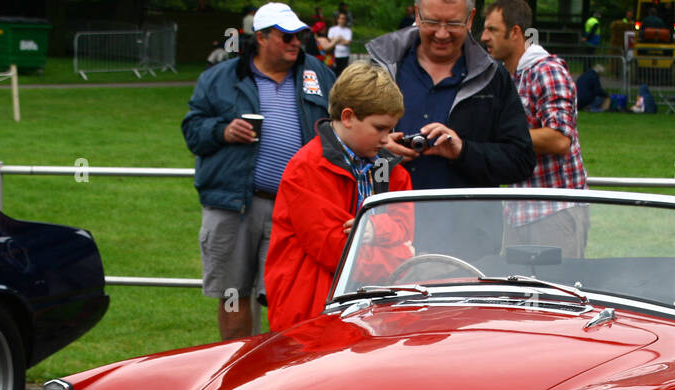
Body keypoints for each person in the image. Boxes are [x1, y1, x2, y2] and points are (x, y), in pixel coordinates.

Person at [182, 3, 337, 340]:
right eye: (286, 37)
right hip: (233, 204)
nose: (296, 43)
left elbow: (342, 126)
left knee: (290, 295)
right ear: (262, 38)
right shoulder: (220, 78)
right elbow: (192, 131)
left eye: (299, 36)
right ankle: (239, 377)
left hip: (298, 207)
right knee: (233, 295)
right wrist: (223, 131)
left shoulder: (320, 75)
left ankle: (283, 379)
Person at [367, 0, 534, 254]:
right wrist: (377, 148)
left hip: (468, 247)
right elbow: (336, 145)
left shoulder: (493, 78)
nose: (442, 33)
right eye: (433, 22)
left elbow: (521, 160)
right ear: (417, 14)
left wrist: (463, 151)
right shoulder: (378, 70)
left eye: (454, 23)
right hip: (386, 240)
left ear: (470, 19)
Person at [264, 62, 414, 331]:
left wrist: (371, 229)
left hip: (374, 313)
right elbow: (340, 254)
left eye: (390, 129)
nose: (386, 139)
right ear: (347, 117)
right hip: (311, 317)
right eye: (379, 128)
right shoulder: (307, 169)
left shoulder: (394, 172)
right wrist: (401, 256)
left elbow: (408, 231)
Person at [481, 0, 589, 257]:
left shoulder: (546, 71)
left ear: (516, 33)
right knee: (516, 295)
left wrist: (501, 137)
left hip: (554, 211)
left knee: (556, 295)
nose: (484, 37)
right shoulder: (506, 76)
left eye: (493, 30)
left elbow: (559, 138)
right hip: (518, 211)